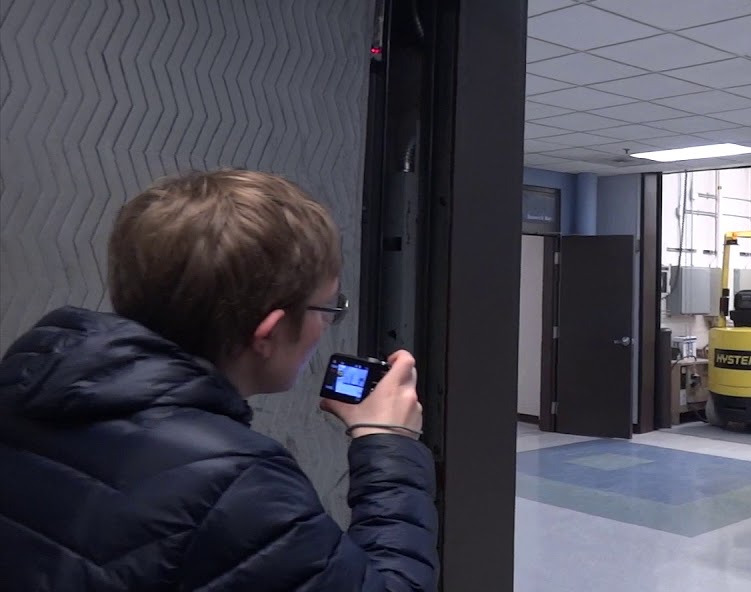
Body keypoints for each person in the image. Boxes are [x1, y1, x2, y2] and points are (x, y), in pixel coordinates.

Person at [0, 169, 439, 591]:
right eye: (327, 309)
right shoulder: (239, 488)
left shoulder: (24, 383)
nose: (327, 326)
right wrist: (388, 441)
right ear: (267, 334)